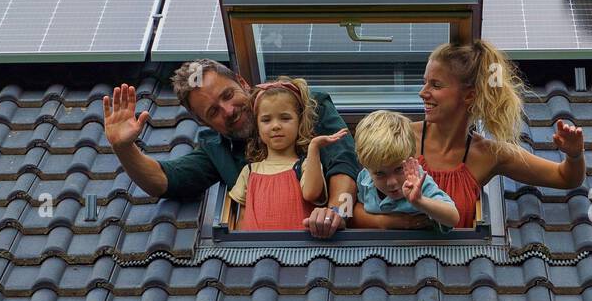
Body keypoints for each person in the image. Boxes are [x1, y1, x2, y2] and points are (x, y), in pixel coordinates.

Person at [101, 59, 358, 238]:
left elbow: (344, 162)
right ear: (204, 123)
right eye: (214, 112)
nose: (229, 111)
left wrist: (337, 213)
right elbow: (163, 180)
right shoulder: (217, 151)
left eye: (227, 95)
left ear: (243, 83)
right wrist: (124, 147)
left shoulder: (308, 106)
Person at [352, 39, 586, 230]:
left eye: (435, 85)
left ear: (469, 96)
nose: (423, 93)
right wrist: (390, 223)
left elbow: (566, 178)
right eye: (425, 83)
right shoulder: (400, 139)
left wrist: (574, 155)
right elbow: (351, 202)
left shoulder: (489, 155)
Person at [227, 78, 349, 230]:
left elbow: (312, 193)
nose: (276, 126)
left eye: (285, 118)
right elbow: (243, 218)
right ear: (256, 126)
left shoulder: (304, 165)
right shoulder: (249, 171)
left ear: (300, 122)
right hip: (257, 251)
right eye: (266, 120)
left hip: (298, 250)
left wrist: (314, 148)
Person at [354, 109, 458, 231]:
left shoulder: (418, 182)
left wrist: (420, 201)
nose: (391, 182)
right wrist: (392, 222)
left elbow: (453, 218)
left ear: (412, 158)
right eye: (380, 174)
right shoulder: (364, 179)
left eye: (399, 169)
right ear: (366, 167)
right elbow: (358, 208)